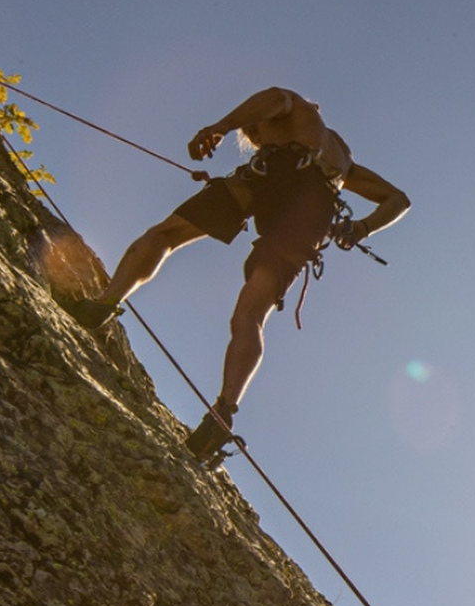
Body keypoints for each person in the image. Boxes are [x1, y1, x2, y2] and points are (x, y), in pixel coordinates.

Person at [63, 86, 410, 461]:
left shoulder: (292, 106)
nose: (257, 137)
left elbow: (276, 98)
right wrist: (360, 229)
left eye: (256, 134)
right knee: (251, 315)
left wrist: (221, 126)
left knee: (164, 235)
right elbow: (398, 199)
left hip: (269, 178)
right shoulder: (341, 156)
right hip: (315, 207)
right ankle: (224, 413)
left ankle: (104, 303)